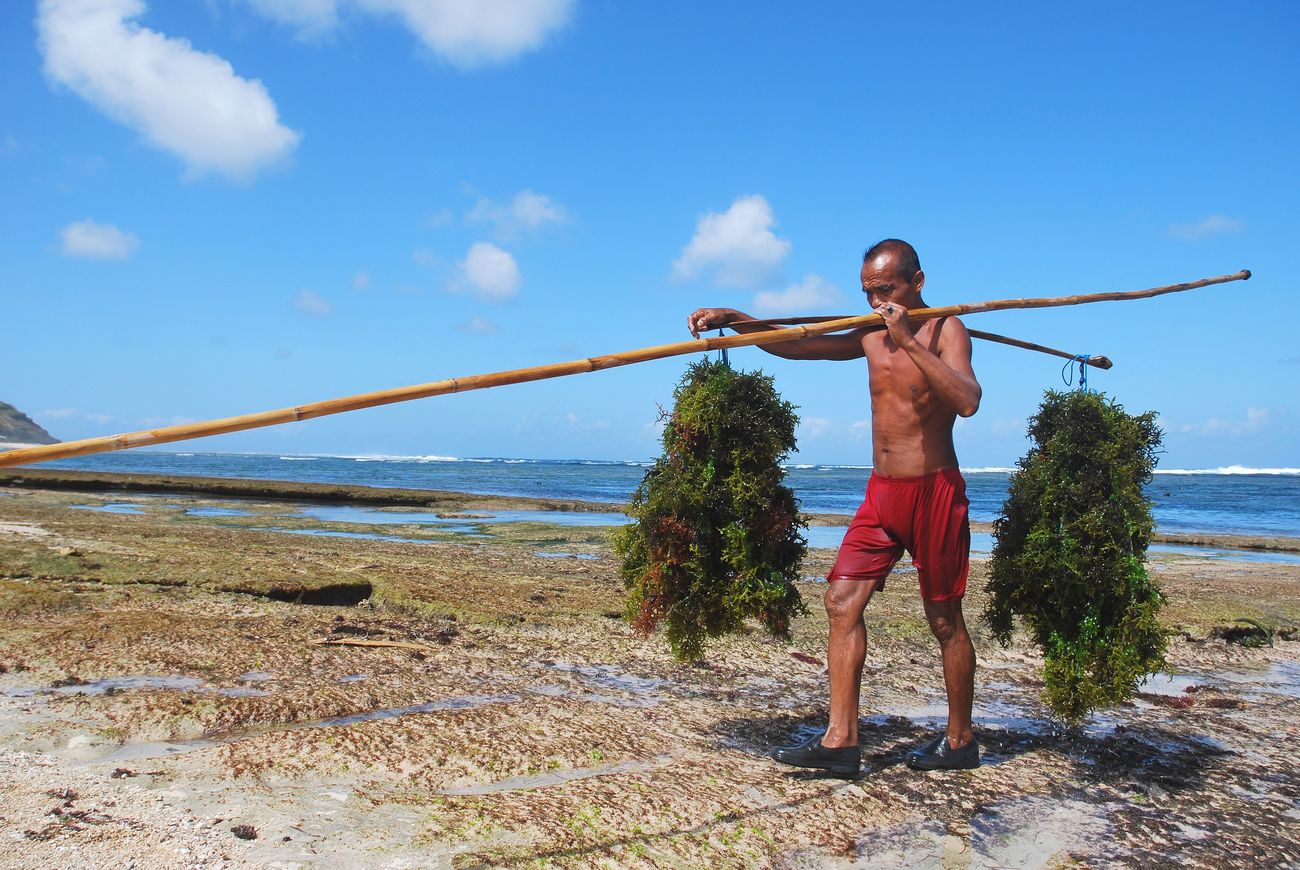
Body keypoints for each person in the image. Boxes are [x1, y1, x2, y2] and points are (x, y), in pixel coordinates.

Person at [686, 239, 982, 776]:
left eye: (885, 290)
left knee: (944, 620)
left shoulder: (947, 330)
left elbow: (967, 400)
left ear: (918, 281)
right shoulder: (869, 333)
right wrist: (737, 320)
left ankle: (960, 741)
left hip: (934, 490)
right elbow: (798, 346)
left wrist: (907, 341)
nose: (875, 302)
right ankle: (841, 740)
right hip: (882, 493)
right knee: (841, 601)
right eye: (867, 291)